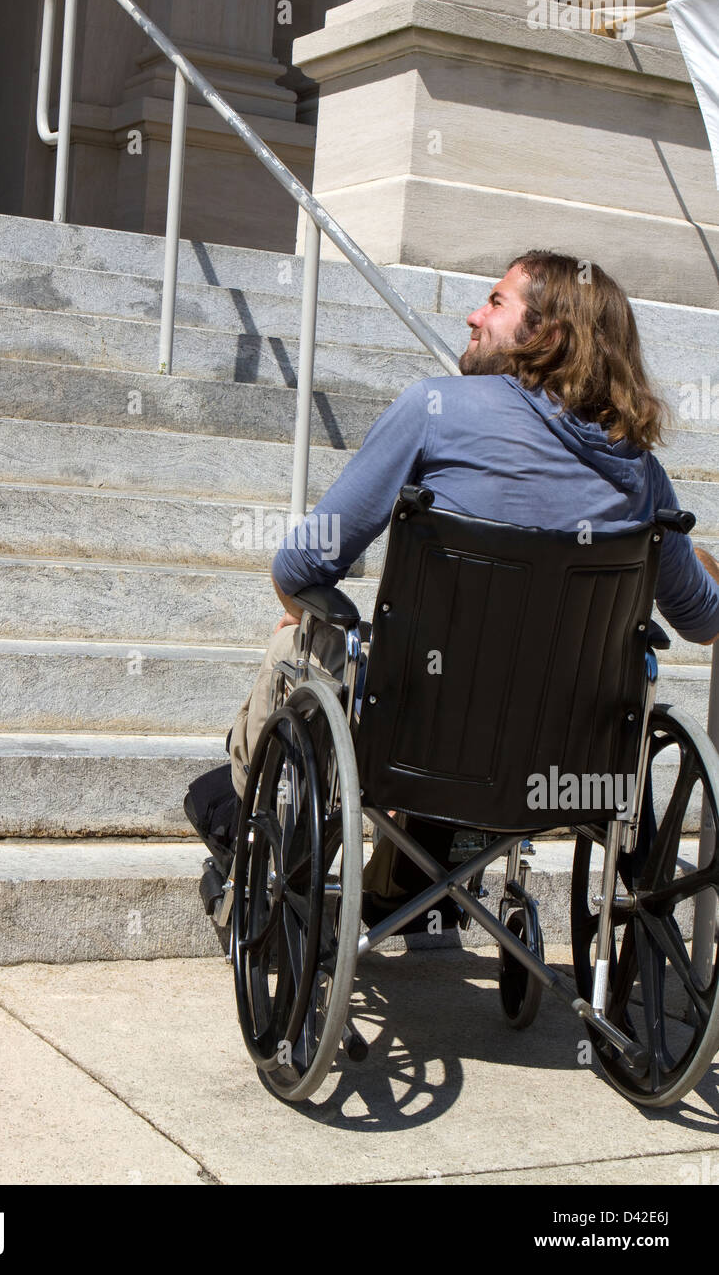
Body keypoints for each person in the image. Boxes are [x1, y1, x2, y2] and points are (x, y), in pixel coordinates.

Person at [227, 250, 719, 918]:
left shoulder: (435, 410)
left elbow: (301, 566)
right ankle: (415, 860)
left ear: (546, 333)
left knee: (300, 647)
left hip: (421, 741)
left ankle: (264, 848)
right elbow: (702, 619)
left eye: (494, 302)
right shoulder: (640, 476)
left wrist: (316, 617)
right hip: (569, 768)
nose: (472, 315)